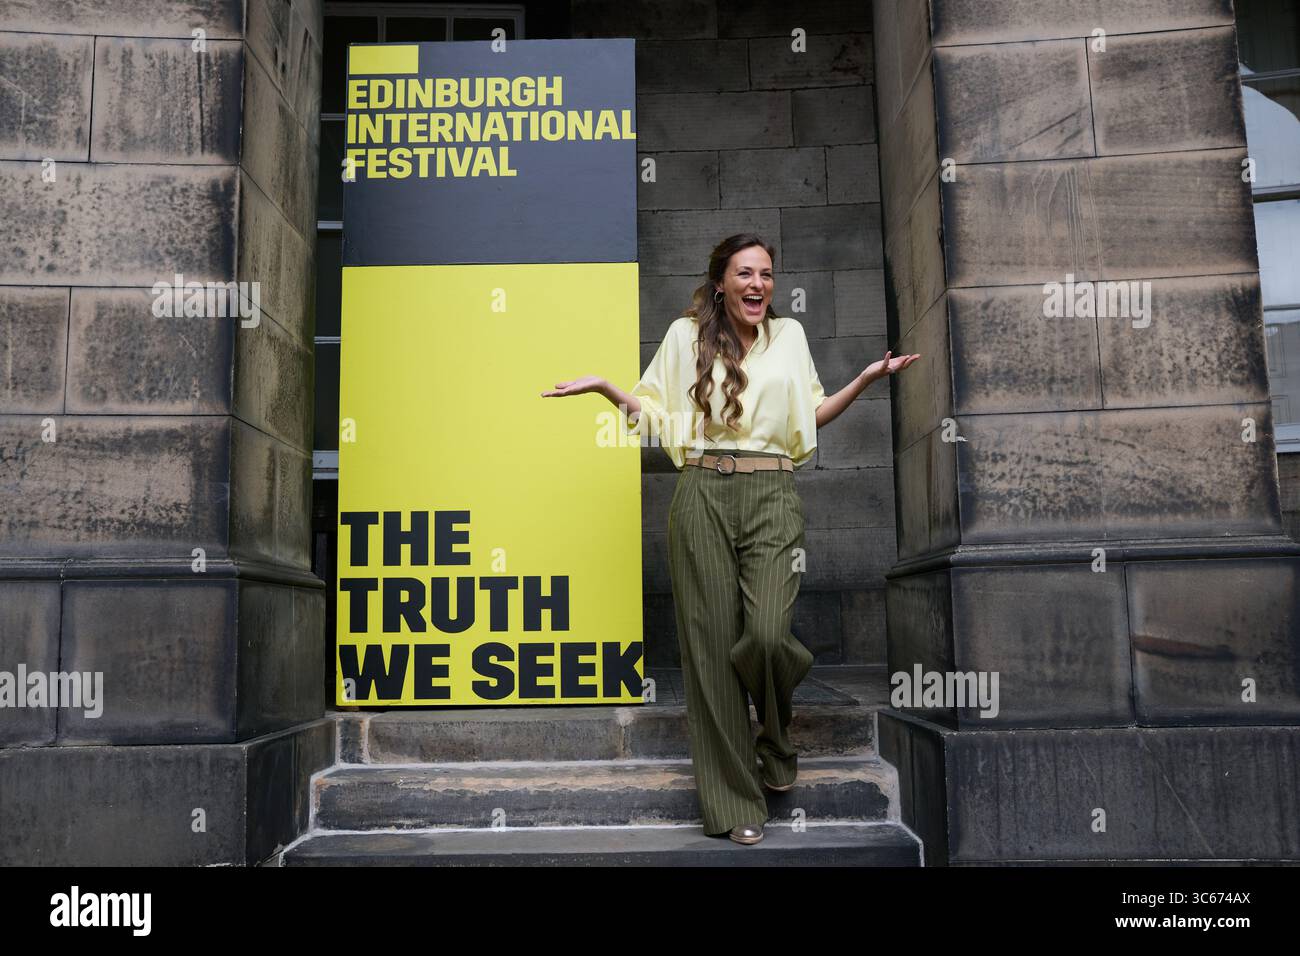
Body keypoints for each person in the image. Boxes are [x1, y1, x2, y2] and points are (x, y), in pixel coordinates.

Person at [543, 233, 919, 845]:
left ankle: (774, 740)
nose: (758, 285)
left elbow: (810, 414)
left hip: (772, 493)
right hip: (701, 495)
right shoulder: (684, 336)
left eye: (767, 274)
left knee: (769, 634)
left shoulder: (789, 337)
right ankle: (734, 804)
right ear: (721, 280)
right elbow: (654, 409)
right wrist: (607, 389)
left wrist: (868, 379)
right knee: (712, 655)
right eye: (745, 273)